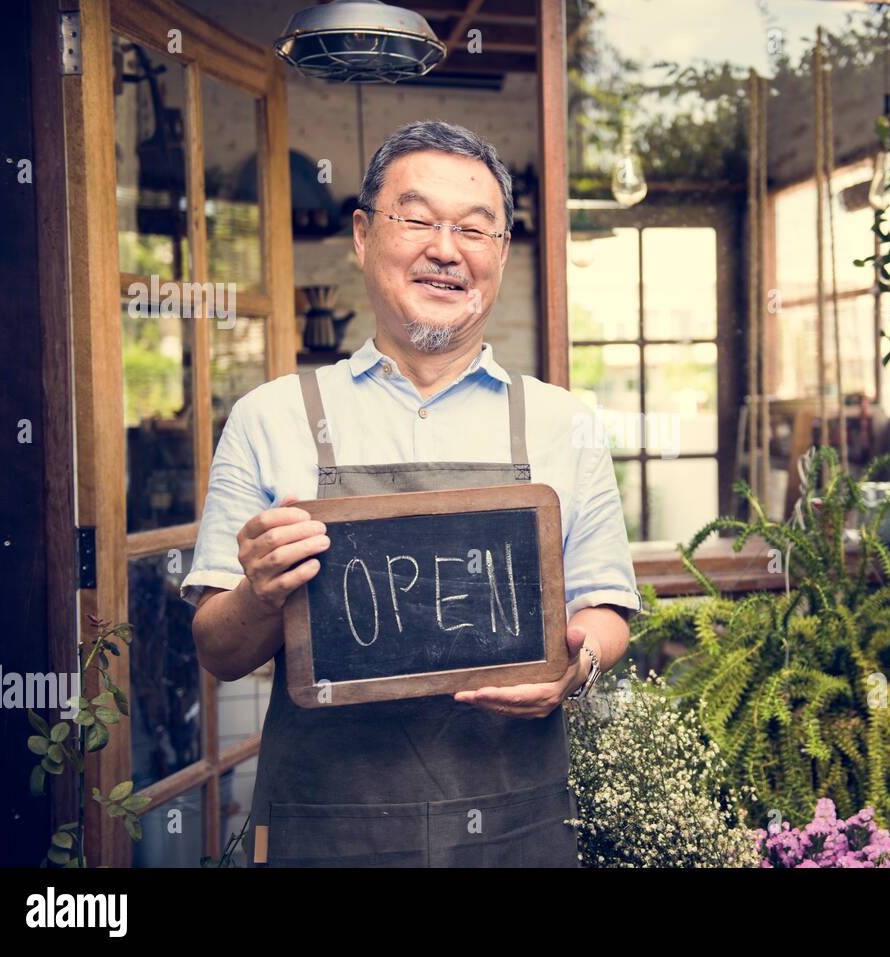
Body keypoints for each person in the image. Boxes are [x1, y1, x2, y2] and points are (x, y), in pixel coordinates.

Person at [181, 120, 641, 867]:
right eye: (417, 219)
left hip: (514, 828)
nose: (445, 248)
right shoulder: (272, 417)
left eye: (475, 229)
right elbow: (218, 649)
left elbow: (606, 607)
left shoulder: (564, 423)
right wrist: (261, 592)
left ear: (500, 250)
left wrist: (577, 665)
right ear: (363, 236)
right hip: (325, 830)